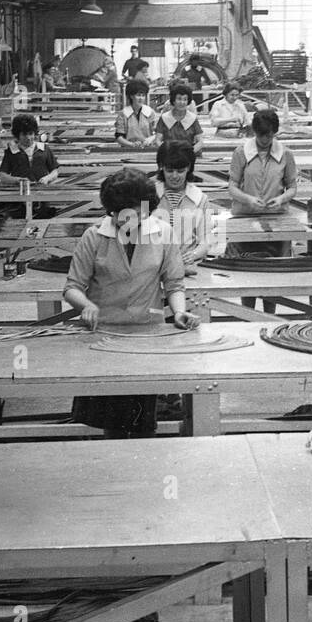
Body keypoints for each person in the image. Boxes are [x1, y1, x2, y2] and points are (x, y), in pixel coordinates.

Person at [64, 168, 201, 437]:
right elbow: (72, 287)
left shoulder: (163, 233)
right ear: (111, 212)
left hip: (146, 335)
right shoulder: (93, 237)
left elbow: (173, 284)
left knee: (142, 422)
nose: (129, 220)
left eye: (137, 214)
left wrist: (179, 312)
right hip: (104, 336)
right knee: (110, 424)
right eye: (120, 215)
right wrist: (86, 305)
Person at [228, 107, 298, 311]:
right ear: (254, 132)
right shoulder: (241, 153)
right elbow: (231, 186)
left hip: (276, 221)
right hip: (245, 219)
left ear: (275, 132)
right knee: (246, 273)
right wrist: (248, 199)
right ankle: (248, 317)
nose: (264, 139)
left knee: (273, 275)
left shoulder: (285, 154)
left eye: (268, 135)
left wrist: (281, 198)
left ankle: (270, 317)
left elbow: (293, 187)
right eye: (260, 134)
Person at [153, 140, 214, 273]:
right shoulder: (148, 195)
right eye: (169, 170)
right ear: (161, 167)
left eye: (180, 171)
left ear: (189, 168)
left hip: (188, 267)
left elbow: (206, 240)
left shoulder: (200, 199)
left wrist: (193, 255)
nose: (174, 176)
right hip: (153, 268)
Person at [0, 114, 60, 186]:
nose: (28, 137)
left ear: (35, 133)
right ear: (18, 135)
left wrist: (47, 178)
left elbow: (55, 172)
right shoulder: (12, 151)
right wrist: (17, 180)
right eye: (24, 134)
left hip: (42, 189)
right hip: (19, 191)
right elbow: (3, 176)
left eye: (31, 134)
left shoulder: (44, 149)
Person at [155, 82, 204, 153]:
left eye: (185, 99)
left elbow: (200, 141)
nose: (182, 102)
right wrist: (167, 151)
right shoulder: (164, 118)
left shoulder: (193, 118)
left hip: (188, 156)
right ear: (173, 101)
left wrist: (190, 152)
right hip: (168, 155)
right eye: (179, 99)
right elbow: (157, 140)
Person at [116, 79, 157, 148]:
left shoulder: (150, 112)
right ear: (131, 96)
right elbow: (119, 137)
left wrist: (150, 139)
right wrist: (131, 144)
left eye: (143, 95)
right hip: (128, 150)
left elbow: (158, 133)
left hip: (147, 149)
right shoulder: (123, 114)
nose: (141, 98)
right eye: (138, 95)